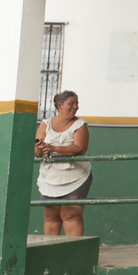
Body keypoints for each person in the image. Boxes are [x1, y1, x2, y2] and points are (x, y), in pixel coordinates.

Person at [34, 90, 91, 236]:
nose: (75, 107)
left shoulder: (80, 124)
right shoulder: (46, 124)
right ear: (60, 105)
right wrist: (41, 148)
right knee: (51, 217)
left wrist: (52, 148)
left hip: (75, 177)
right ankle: (51, 252)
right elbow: (37, 152)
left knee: (70, 216)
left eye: (76, 103)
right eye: (71, 103)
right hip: (50, 177)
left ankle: (74, 254)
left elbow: (79, 148)